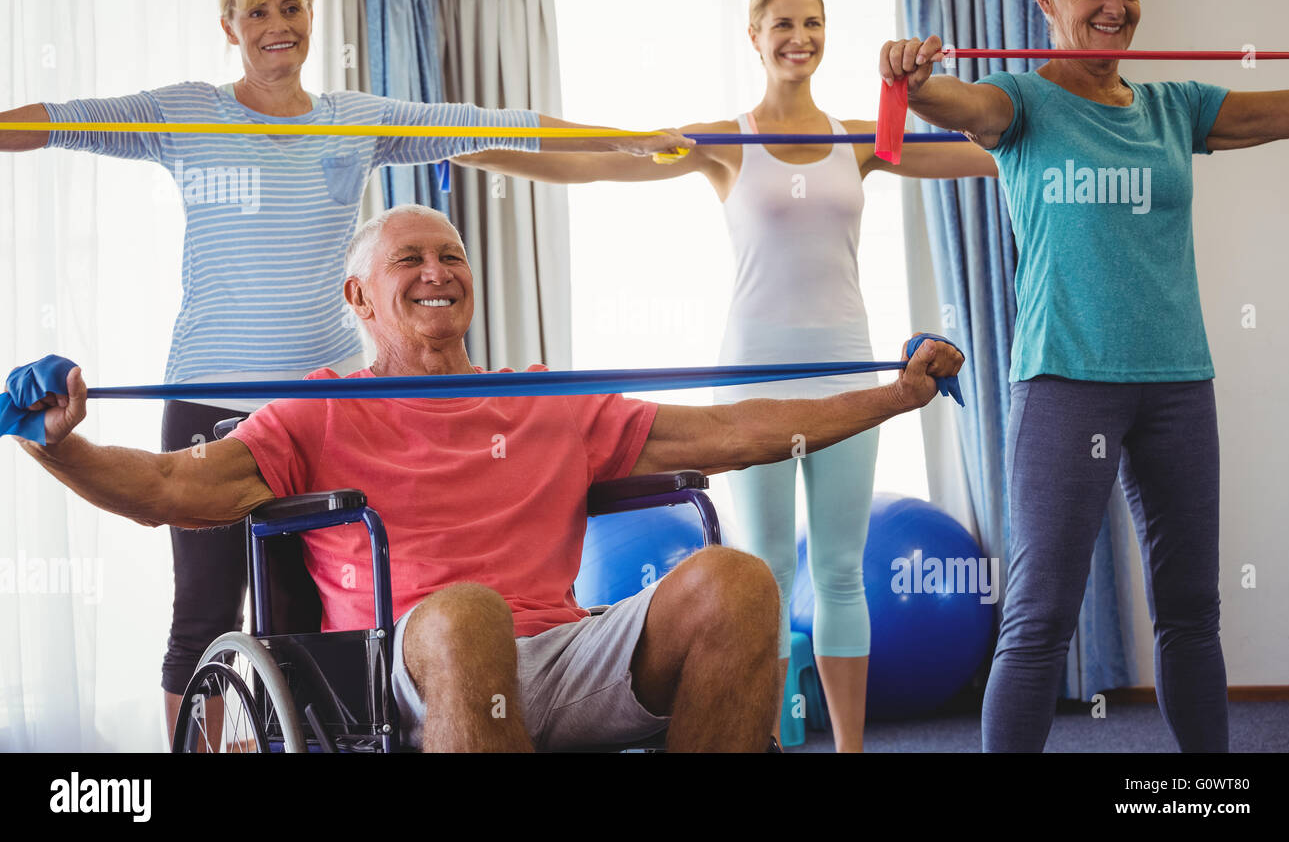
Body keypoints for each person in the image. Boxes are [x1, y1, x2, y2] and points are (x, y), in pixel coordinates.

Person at [0, 0, 688, 743]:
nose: (276, 27)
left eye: (290, 8)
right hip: (207, 398)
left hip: (318, 412)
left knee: (304, 622)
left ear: (311, 18)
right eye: (256, 13)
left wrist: (627, 142)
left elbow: (490, 128)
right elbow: (61, 120)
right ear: (229, 26)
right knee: (204, 621)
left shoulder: (351, 120)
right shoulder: (185, 112)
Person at [10, 203, 966, 752]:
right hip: (410, 667)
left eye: (452, 255)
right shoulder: (315, 409)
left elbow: (736, 429)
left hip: (564, 655)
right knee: (467, 613)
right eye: (410, 259)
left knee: (741, 581)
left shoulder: (548, 399)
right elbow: (177, 490)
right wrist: (58, 444)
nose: (437, 271)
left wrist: (894, 395)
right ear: (358, 296)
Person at [450, 0, 998, 751]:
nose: (798, 37)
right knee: (765, 569)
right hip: (754, 374)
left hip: (847, 373)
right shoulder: (721, 140)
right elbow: (598, 163)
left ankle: (847, 748)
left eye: (812, 22)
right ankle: (766, 739)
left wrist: (1069, 129)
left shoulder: (862, 137)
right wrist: (474, 151)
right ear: (754, 36)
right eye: (782, 23)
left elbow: (990, 155)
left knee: (841, 570)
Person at [879, 0, 1289, 752]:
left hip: (1179, 382)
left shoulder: (1176, 107)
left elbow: (1287, 109)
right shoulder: (1022, 104)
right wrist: (914, 84)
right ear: (1045, 1)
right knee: (1039, 620)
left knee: (1191, 612)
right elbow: (957, 108)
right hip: (1066, 383)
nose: (1117, 5)